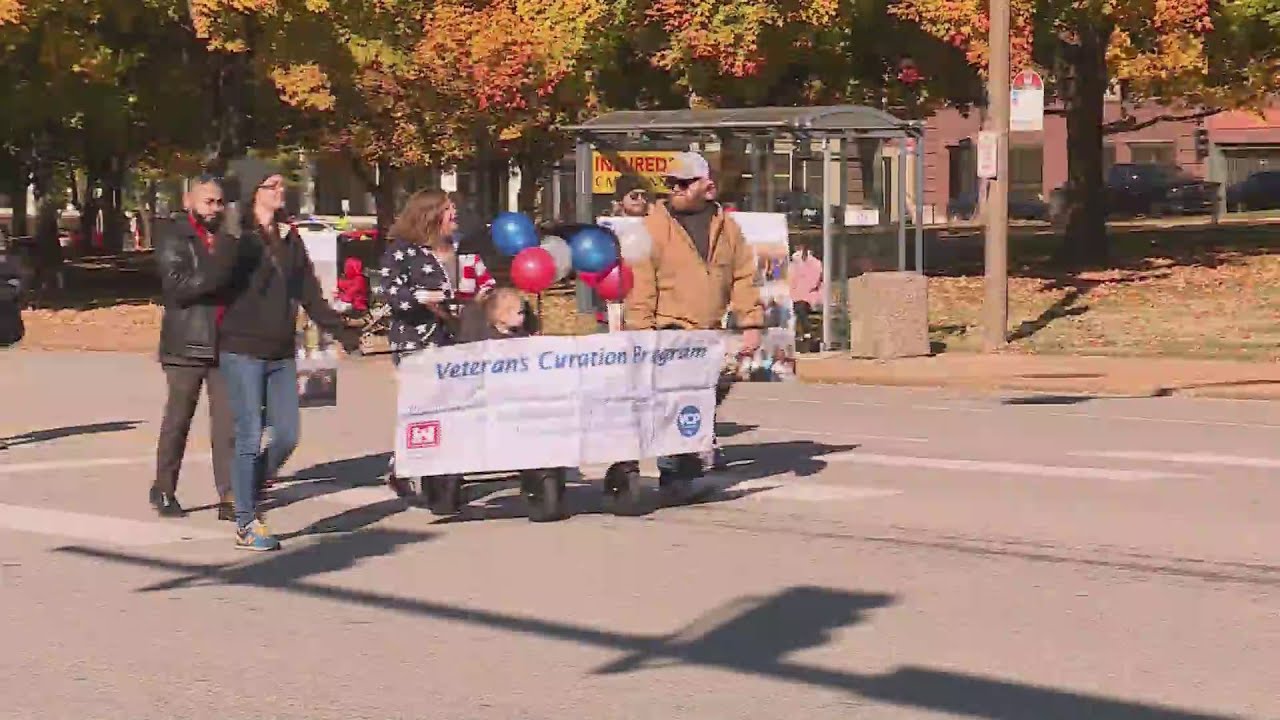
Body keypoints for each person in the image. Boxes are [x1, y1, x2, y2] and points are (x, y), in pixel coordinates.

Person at [219, 159, 361, 551]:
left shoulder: (290, 234)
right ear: (254, 192)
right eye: (272, 186)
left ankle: (245, 488)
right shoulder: (239, 236)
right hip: (242, 348)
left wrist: (341, 331)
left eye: (281, 185)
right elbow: (219, 278)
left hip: (281, 350)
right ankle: (247, 521)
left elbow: (308, 291)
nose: (281, 192)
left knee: (286, 435)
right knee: (249, 434)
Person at [623, 151, 763, 498]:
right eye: (671, 183)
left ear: (708, 187)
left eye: (684, 183)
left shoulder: (727, 228)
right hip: (668, 329)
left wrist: (751, 323)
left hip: (710, 330)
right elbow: (640, 285)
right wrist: (641, 333)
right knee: (678, 399)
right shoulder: (653, 227)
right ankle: (673, 472)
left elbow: (744, 276)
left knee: (708, 395)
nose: (676, 189)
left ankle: (687, 461)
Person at [152, 175, 238, 519]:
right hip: (185, 344)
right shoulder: (174, 236)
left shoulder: (230, 240)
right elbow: (176, 286)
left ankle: (229, 496)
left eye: (219, 202)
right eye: (208, 202)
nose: (214, 208)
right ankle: (163, 488)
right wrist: (218, 275)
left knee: (228, 424)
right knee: (178, 420)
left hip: (226, 343)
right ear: (190, 202)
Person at [375, 189, 465, 503]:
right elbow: (387, 292)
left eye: (453, 208)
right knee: (423, 405)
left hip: (458, 340)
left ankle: (443, 469)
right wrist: (419, 298)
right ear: (429, 214)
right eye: (448, 209)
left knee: (454, 405)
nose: (454, 214)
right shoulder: (403, 252)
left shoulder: (461, 251)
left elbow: (484, 287)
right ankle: (404, 465)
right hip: (415, 339)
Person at [789, 240, 823, 351]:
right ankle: (805, 335)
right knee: (794, 307)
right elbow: (789, 281)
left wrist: (798, 292)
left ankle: (807, 334)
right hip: (796, 298)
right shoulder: (793, 265)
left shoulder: (815, 264)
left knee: (800, 306)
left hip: (810, 297)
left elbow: (813, 282)